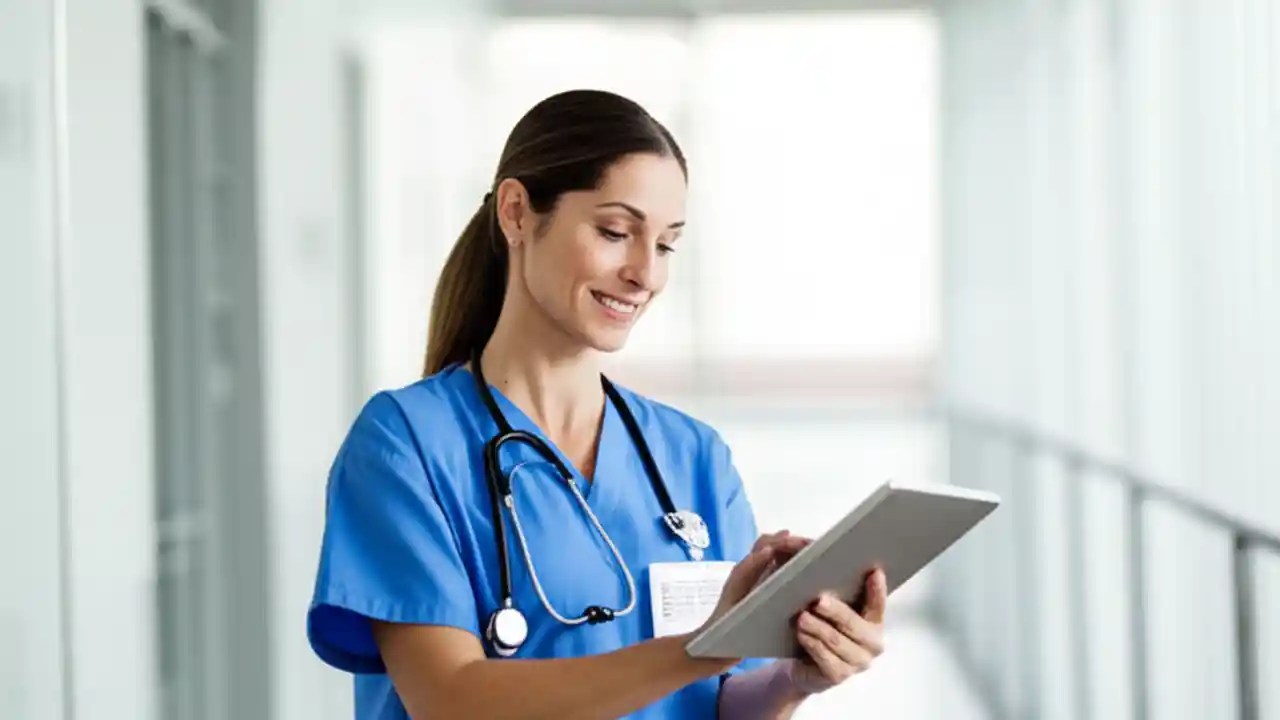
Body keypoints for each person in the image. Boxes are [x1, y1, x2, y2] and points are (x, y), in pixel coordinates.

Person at [306, 88, 888, 719]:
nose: (646, 273)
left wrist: (793, 680)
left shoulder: (692, 456)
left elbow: (720, 705)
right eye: (616, 232)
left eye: (665, 245)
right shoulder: (405, 445)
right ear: (517, 213)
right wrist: (700, 648)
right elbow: (451, 700)